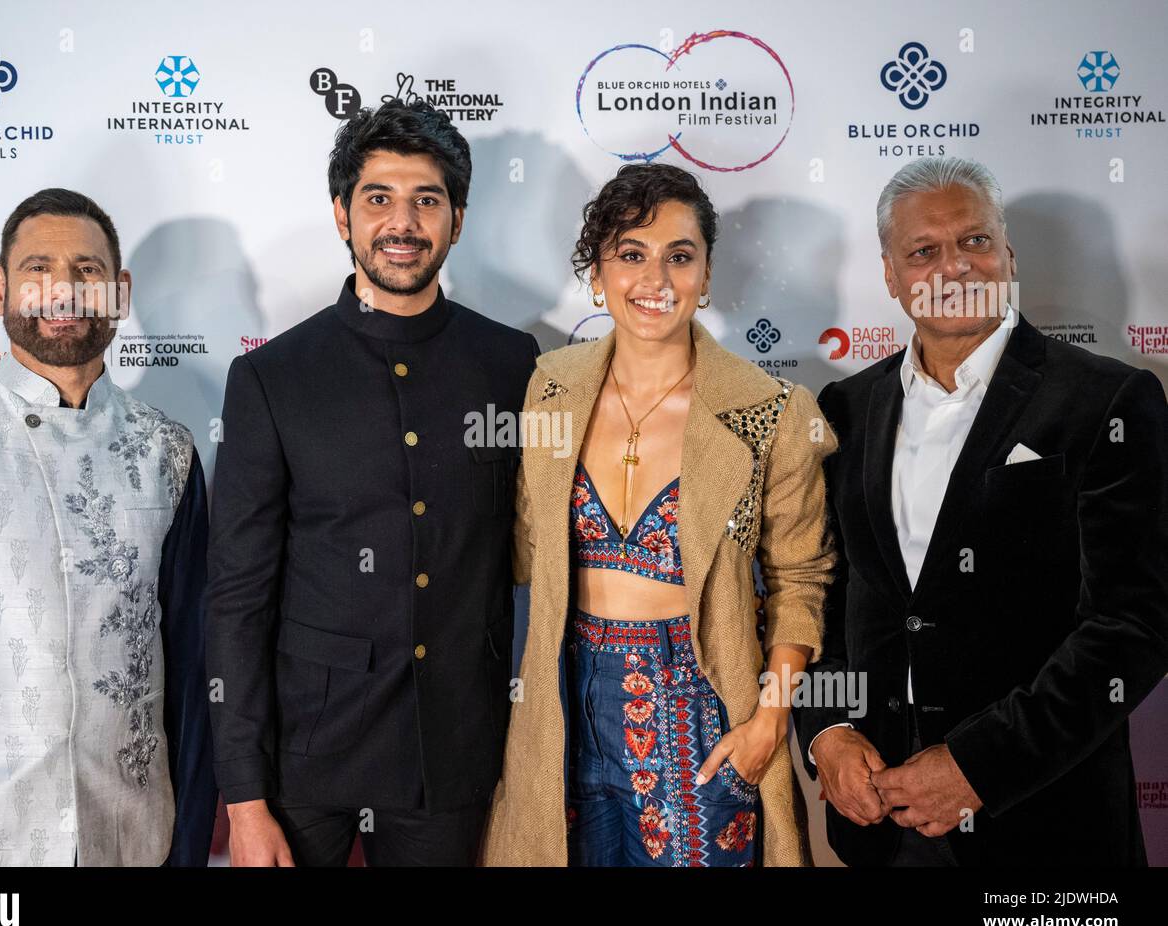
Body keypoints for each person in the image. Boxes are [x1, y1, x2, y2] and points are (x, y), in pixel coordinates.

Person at [795, 156, 1168, 866]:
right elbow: (827, 600)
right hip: (881, 820)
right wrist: (828, 733)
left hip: (1041, 821)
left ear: (1008, 254)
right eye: (923, 251)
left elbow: (1135, 624)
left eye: (974, 242)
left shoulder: (1107, 400)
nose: (954, 267)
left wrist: (978, 766)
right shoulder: (846, 408)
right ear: (890, 275)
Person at [205, 99, 539, 866]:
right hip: (305, 763)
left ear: (457, 218)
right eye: (378, 198)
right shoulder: (271, 377)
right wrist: (245, 798)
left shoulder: (511, 363)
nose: (403, 222)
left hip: (453, 755)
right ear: (341, 215)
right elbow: (237, 599)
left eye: (427, 200)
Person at [482, 163, 837, 866]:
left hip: (702, 707)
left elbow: (801, 582)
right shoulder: (551, 388)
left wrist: (770, 718)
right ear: (598, 273)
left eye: (680, 256)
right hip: (564, 700)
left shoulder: (773, 411)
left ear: (706, 275)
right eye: (631, 254)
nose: (657, 279)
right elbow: (522, 544)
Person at [0, 188, 217, 866]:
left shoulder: (166, 450)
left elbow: (194, 653)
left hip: (127, 834)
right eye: (37, 268)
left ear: (119, 291)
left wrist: (188, 833)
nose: (63, 288)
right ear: (0, 288)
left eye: (87, 271)